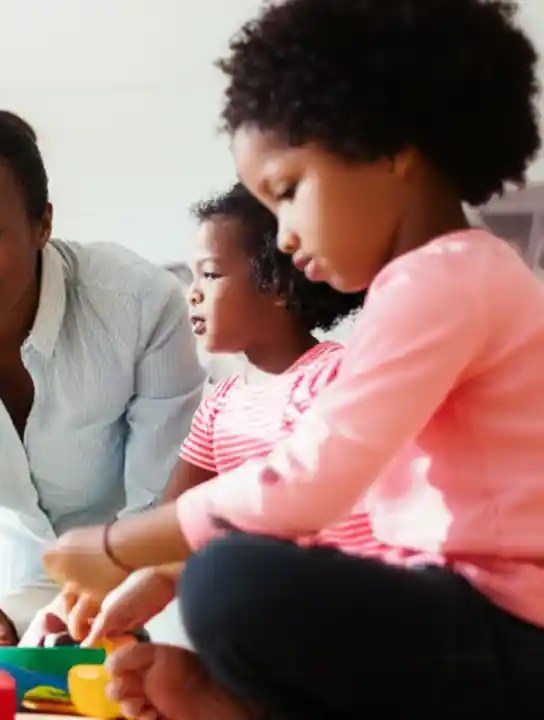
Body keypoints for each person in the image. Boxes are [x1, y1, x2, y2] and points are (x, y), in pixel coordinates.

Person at [44, 1, 544, 717]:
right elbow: (328, 510)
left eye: (287, 192)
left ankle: (248, 707)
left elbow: (307, 485)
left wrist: (122, 544)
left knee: (234, 581)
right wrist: (162, 570)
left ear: (390, 146)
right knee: (242, 575)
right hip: (465, 620)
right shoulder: (445, 282)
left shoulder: (447, 278)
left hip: (511, 636)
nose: (281, 238)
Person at [0, 109, 206, 649]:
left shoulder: (140, 308)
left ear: (42, 225)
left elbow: (154, 520)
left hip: (140, 591)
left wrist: (30, 614)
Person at [24, 182, 368, 646]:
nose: (192, 295)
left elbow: (298, 508)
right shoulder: (220, 405)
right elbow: (168, 528)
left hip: (337, 613)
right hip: (256, 624)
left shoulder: (331, 378)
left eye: (210, 275)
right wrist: (77, 601)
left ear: (280, 285)